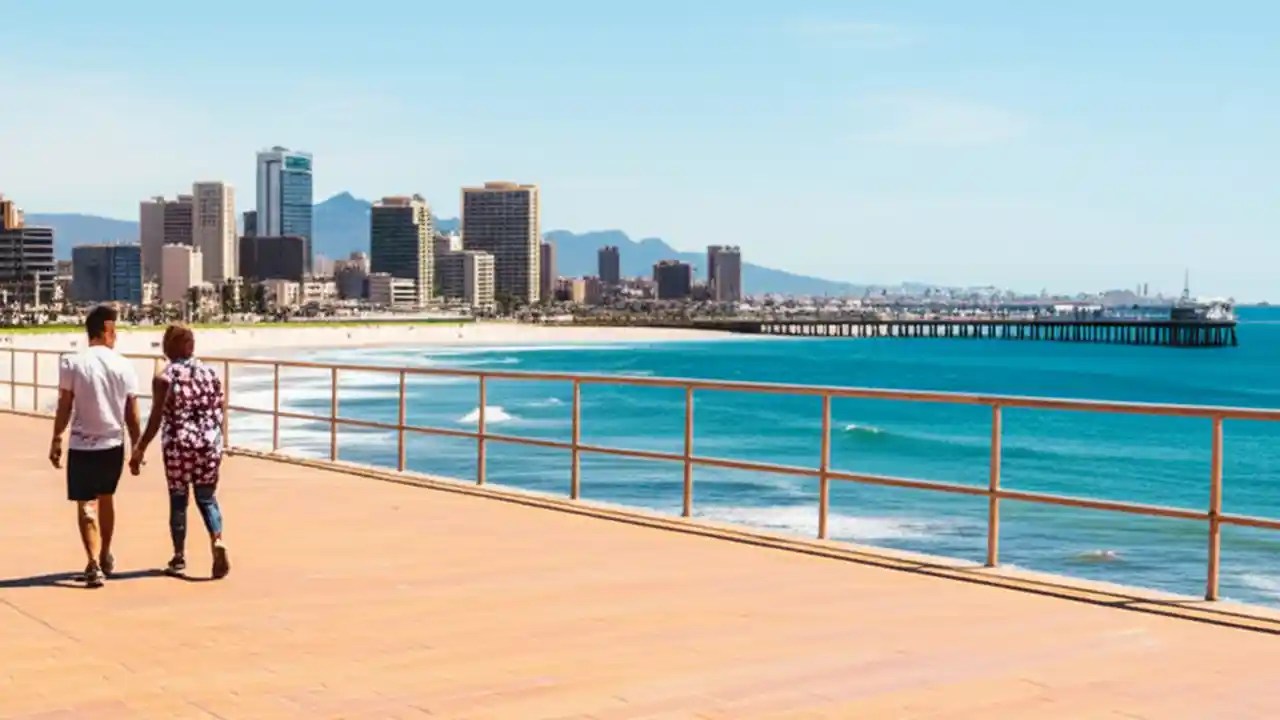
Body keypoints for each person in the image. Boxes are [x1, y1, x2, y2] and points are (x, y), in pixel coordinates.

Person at [50, 304, 141, 588]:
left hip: (82, 444)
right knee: (106, 498)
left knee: (85, 504)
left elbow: (64, 405)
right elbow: (132, 411)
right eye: (114, 329)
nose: (116, 335)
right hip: (113, 443)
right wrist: (137, 446)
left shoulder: (72, 363)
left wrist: (56, 438)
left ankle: (92, 562)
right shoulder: (124, 364)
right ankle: (104, 553)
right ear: (106, 330)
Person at [130, 325, 230, 579]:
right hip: (209, 444)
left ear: (170, 347)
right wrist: (222, 441)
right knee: (207, 497)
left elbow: (155, 419)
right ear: (191, 346)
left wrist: (140, 448)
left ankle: (179, 556)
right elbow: (221, 410)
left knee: (178, 499)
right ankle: (216, 539)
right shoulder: (211, 373)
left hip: (178, 445)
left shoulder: (165, 377)